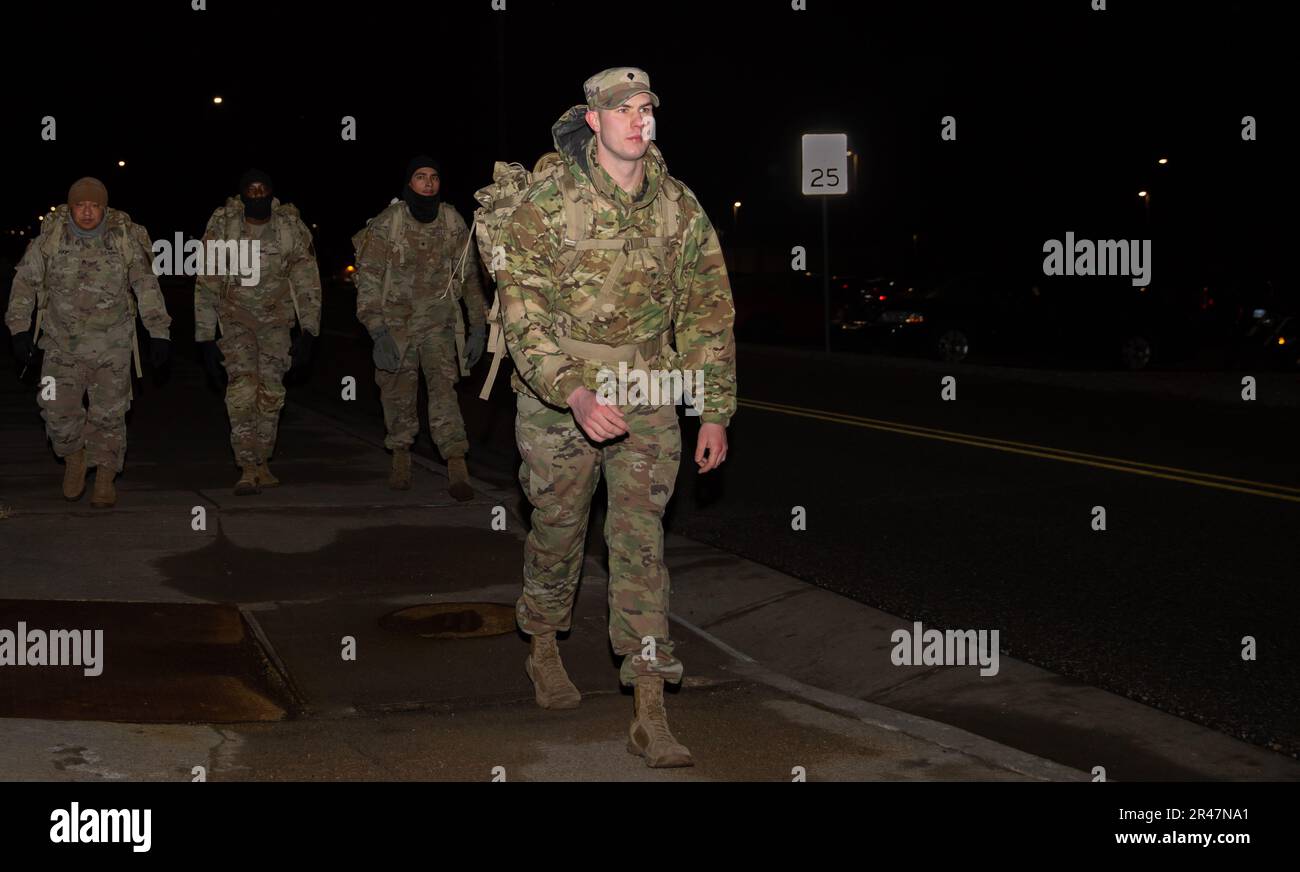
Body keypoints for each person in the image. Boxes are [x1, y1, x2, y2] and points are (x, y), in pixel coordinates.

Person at [497, 68, 736, 767]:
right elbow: (523, 313)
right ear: (592, 121)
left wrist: (713, 410)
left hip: (649, 392)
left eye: (646, 108)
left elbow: (707, 311)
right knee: (559, 528)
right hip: (559, 400)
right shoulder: (546, 204)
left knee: (640, 545)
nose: (639, 119)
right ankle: (543, 639)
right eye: (622, 110)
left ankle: (650, 704)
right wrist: (570, 391)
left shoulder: (679, 206)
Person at [5, 177, 171, 508]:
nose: (87, 212)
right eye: (80, 205)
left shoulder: (123, 239)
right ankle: (74, 456)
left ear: (104, 209)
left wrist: (158, 333)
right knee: (54, 408)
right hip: (59, 347)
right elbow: (24, 283)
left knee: (109, 416)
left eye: (94, 205)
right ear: (70, 207)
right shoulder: (49, 241)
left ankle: (106, 479)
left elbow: (147, 285)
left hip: (112, 347)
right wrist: (19, 330)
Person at [353, 156, 487, 499]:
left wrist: (477, 327)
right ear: (409, 183)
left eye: (434, 177)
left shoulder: (452, 221)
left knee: (444, 392)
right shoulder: (389, 223)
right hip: (395, 324)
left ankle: (457, 464)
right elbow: (367, 279)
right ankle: (400, 455)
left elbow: (469, 278)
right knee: (397, 393)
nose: (428, 183)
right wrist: (377, 329)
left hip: (438, 323)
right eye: (420, 177)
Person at [195, 169, 321, 494]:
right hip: (235, 320)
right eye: (250, 190)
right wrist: (205, 337)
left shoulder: (289, 227)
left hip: (277, 323)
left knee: (271, 393)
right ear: (241, 195)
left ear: (271, 191)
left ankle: (262, 459)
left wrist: (309, 331)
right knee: (241, 390)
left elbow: (307, 281)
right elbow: (207, 282)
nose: (257, 194)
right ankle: (247, 466)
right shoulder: (223, 226)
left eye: (262, 189)